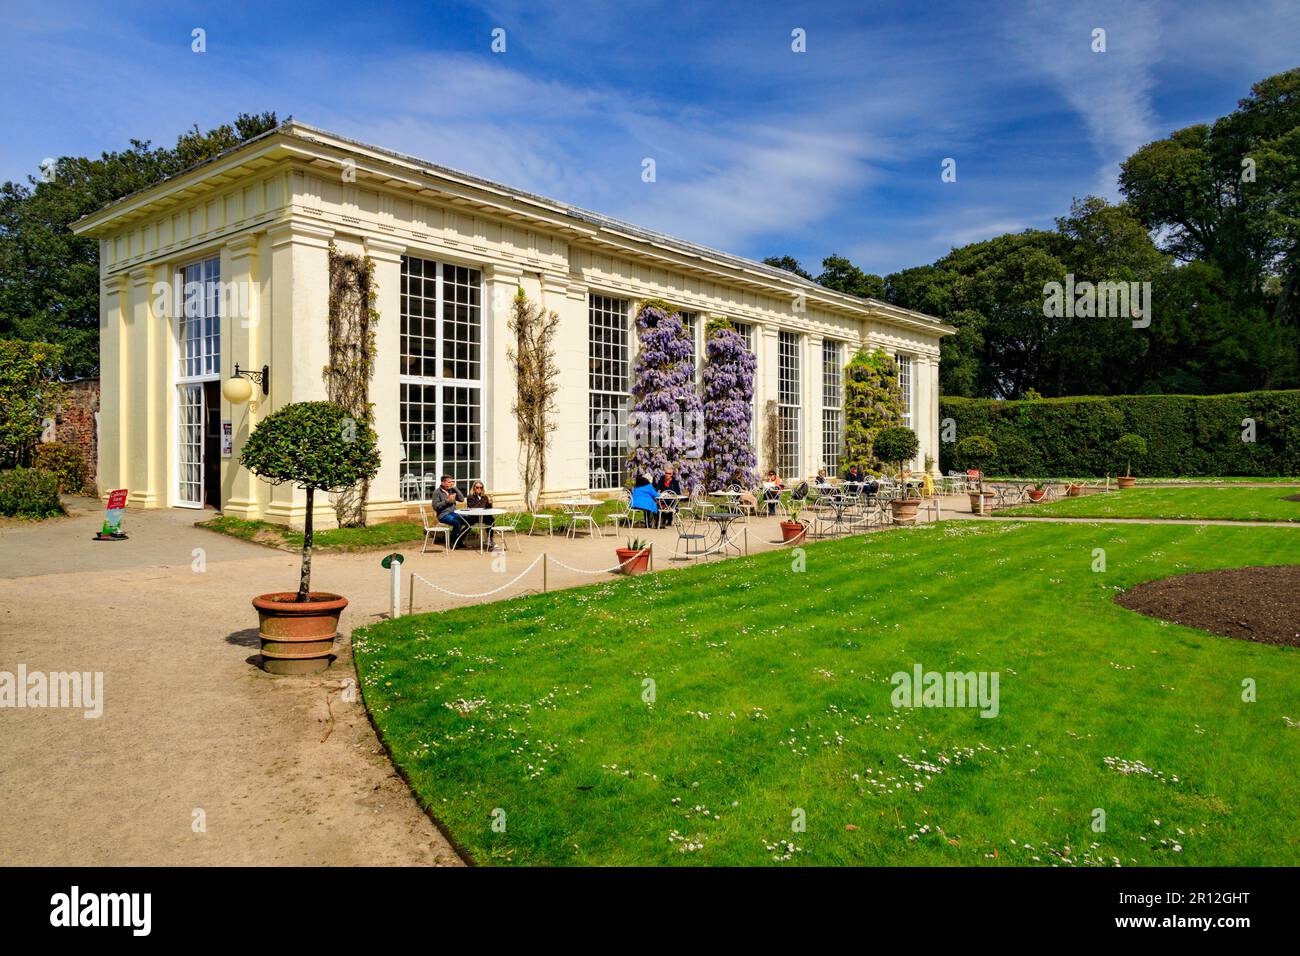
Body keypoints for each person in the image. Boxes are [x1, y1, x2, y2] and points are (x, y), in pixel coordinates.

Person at [432, 474, 470, 549]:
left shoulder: (451, 490)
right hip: (444, 515)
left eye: (452, 482)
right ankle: (452, 541)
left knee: (470, 522)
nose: (451, 483)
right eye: (449, 482)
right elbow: (435, 507)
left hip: (454, 513)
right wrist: (447, 501)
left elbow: (462, 499)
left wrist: (455, 488)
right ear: (443, 483)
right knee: (457, 523)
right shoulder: (437, 492)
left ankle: (458, 540)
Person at [465, 480, 496, 548]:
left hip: (484, 517)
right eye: (477, 487)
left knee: (491, 519)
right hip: (474, 517)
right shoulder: (470, 497)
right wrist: (484, 505)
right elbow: (474, 507)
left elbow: (488, 508)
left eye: (481, 487)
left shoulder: (484, 497)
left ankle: (489, 539)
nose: (479, 489)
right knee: (489, 519)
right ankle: (489, 539)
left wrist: (490, 503)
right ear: (473, 488)